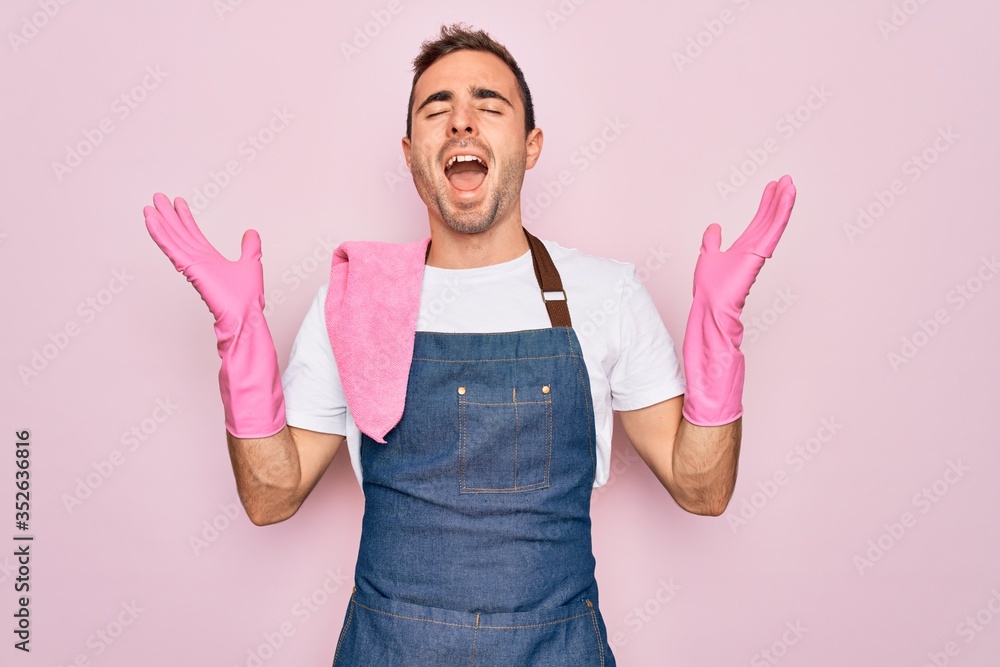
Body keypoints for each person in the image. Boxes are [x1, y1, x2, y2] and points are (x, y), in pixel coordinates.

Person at [143, 22, 796, 667]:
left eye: (489, 104)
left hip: (556, 650)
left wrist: (717, 323)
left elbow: (701, 488)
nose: (462, 123)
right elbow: (271, 496)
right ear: (408, 151)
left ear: (531, 144)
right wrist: (240, 335)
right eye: (438, 108)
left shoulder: (608, 295)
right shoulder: (354, 298)